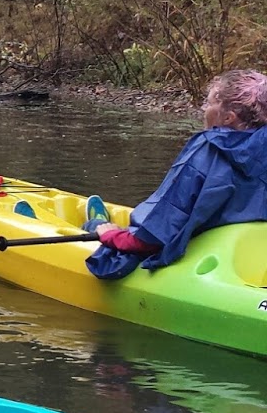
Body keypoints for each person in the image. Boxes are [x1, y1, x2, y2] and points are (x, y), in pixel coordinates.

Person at [85, 69, 267, 279]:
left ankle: (96, 223)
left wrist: (112, 236)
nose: (204, 109)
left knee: (96, 228)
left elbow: (154, 236)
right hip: (251, 255)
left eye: (208, 103)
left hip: (198, 253)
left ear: (228, 117)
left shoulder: (209, 149)